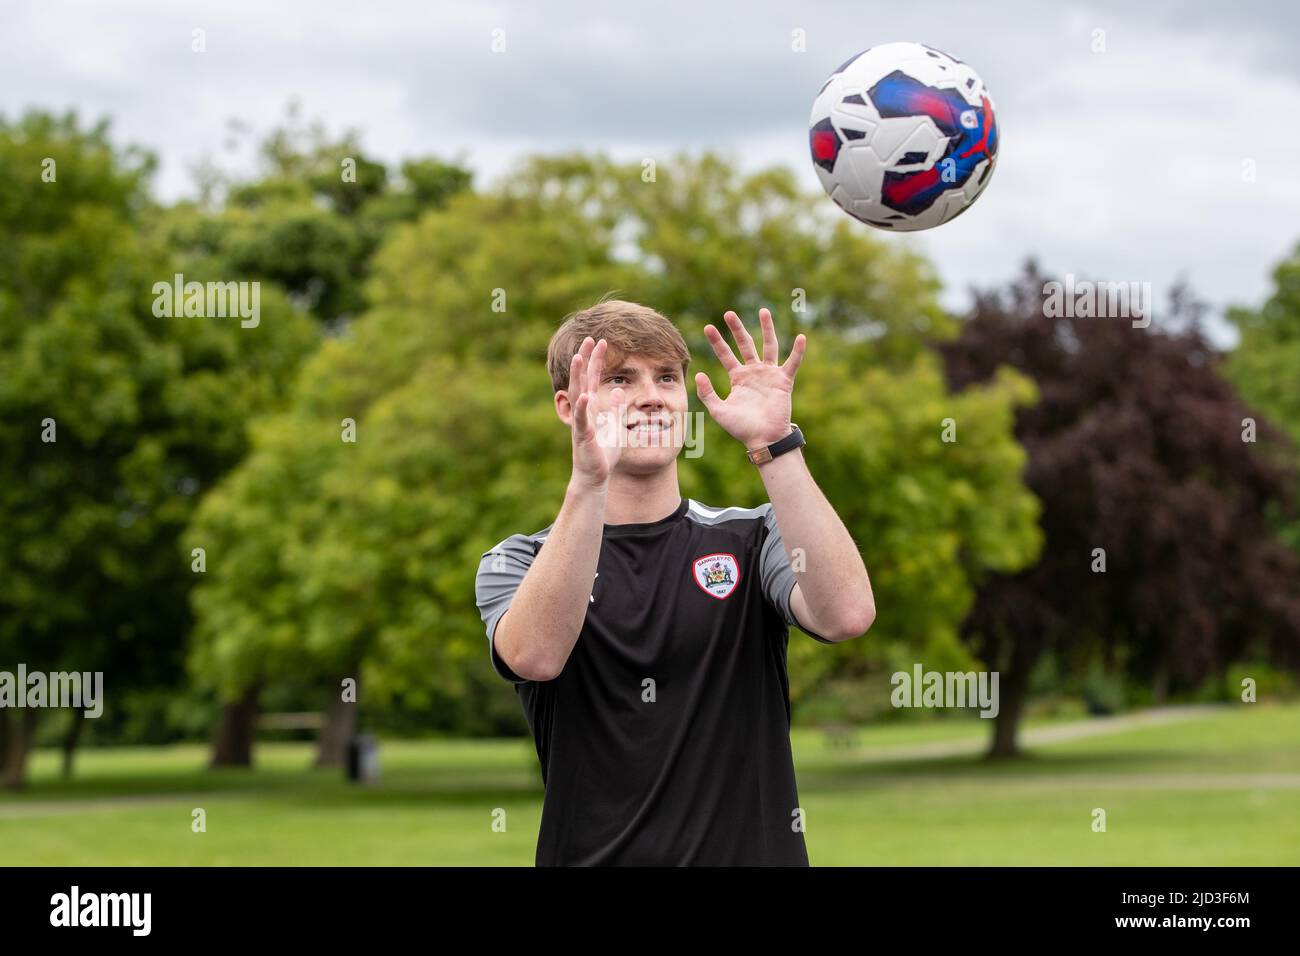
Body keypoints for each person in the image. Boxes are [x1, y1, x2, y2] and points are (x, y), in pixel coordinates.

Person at [475, 297, 875, 865]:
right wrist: (589, 483)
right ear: (568, 406)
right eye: (619, 378)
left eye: (667, 377)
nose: (651, 395)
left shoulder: (751, 538)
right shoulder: (515, 560)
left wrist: (776, 446)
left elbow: (847, 615)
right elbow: (535, 656)